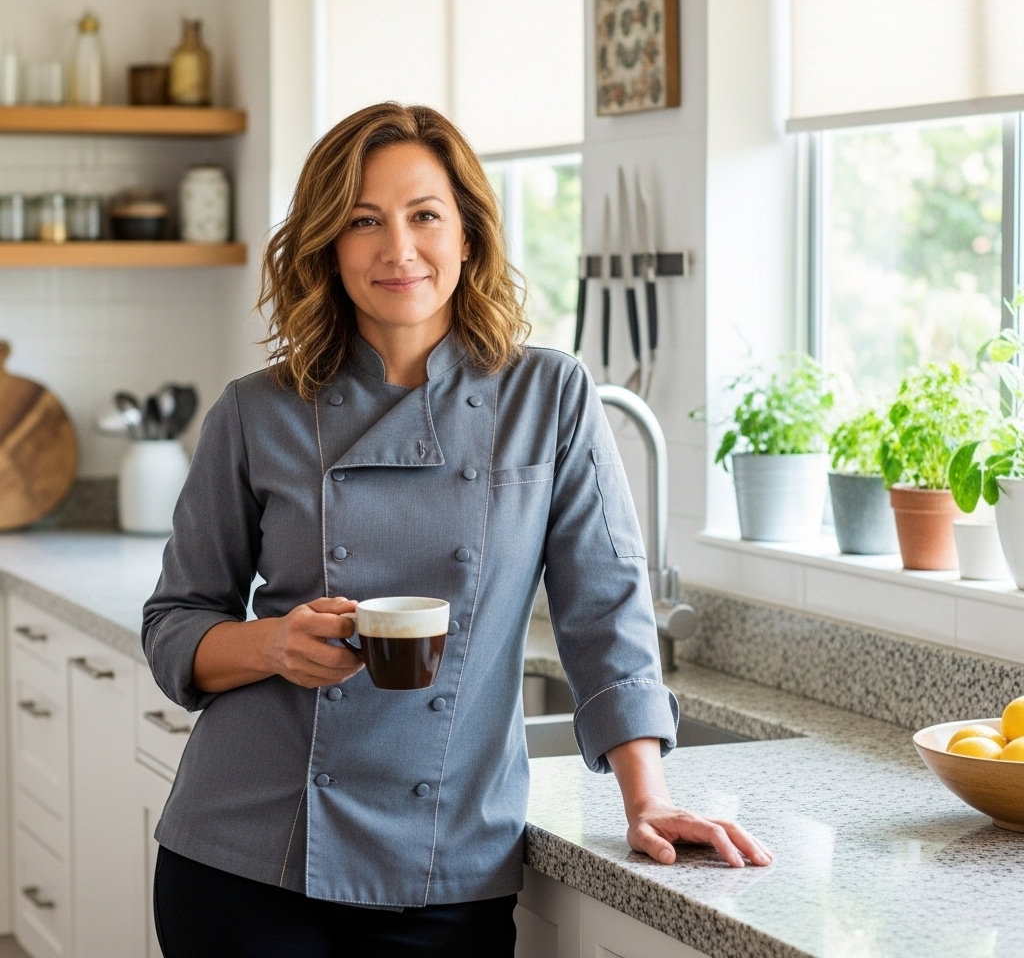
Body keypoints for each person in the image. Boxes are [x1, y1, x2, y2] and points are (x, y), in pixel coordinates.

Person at [142, 102, 771, 958]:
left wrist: (647, 797)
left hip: (445, 859)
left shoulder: (548, 397)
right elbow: (176, 621)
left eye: (424, 215)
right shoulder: (257, 412)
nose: (397, 249)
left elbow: (605, 611)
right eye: (363, 221)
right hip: (250, 853)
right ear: (328, 244)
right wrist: (274, 646)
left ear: (468, 235)